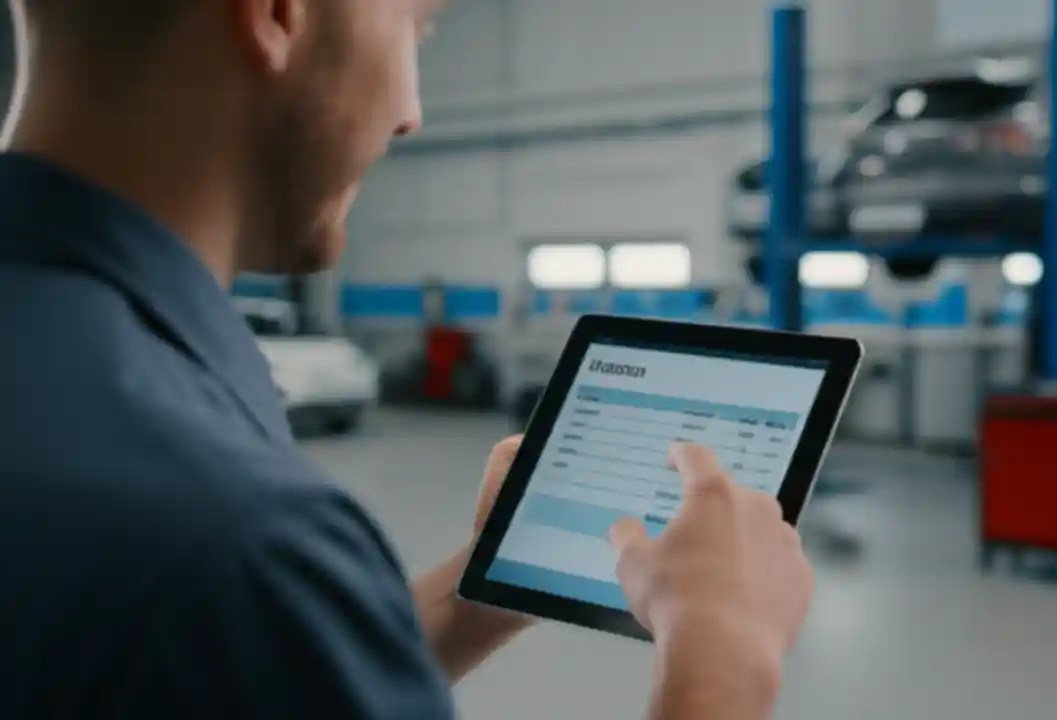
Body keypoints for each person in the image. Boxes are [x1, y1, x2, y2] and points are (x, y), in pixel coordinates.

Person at [0, 1, 815, 718]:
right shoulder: (227, 538)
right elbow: (231, 597)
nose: (410, 112)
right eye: (416, 28)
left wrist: (480, 589)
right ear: (280, 12)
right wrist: (722, 667)